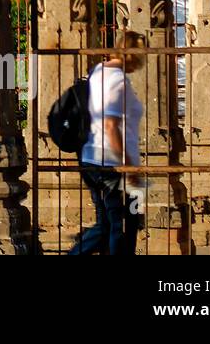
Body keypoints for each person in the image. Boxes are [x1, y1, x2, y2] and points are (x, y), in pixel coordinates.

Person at [70, 30, 146, 255]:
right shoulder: (117, 80)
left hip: (92, 159)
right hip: (111, 163)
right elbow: (110, 126)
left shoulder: (98, 72)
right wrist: (128, 166)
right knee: (122, 225)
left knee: (107, 225)